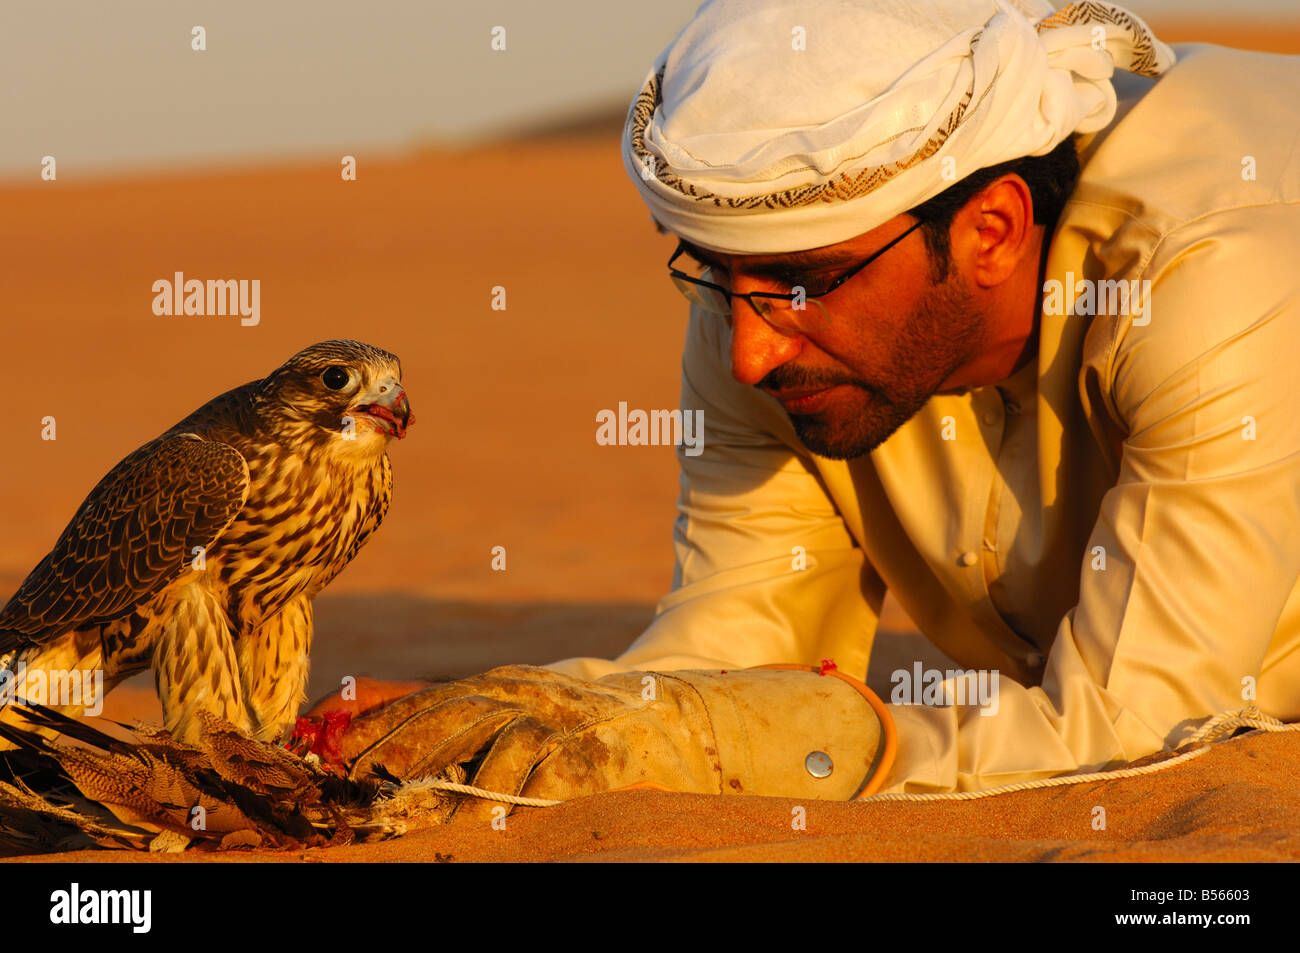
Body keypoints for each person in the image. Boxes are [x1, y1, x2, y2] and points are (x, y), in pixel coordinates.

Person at [332, 0, 1300, 810]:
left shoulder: (1212, 272)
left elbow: (1132, 736)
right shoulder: (759, 313)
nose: (749, 353)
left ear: (992, 229)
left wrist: (740, 748)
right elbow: (740, 646)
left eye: (805, 281)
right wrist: (487, 714)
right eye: (715, 276)